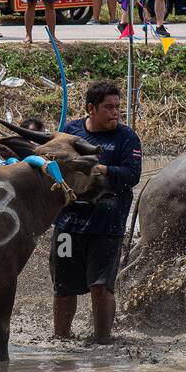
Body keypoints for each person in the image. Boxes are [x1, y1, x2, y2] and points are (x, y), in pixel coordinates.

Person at [50, 80, 141, 344]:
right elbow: (56, 169)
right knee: (63, 286)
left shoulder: (127, 138)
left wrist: (100, 169)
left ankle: (102, 341)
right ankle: (61, 340)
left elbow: (132, 175)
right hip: (68, 223)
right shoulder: (71, 132)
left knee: (100, 286)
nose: (115, 113)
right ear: (91, 108)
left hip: (107, 225)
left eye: (117, 108)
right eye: (108, 108)